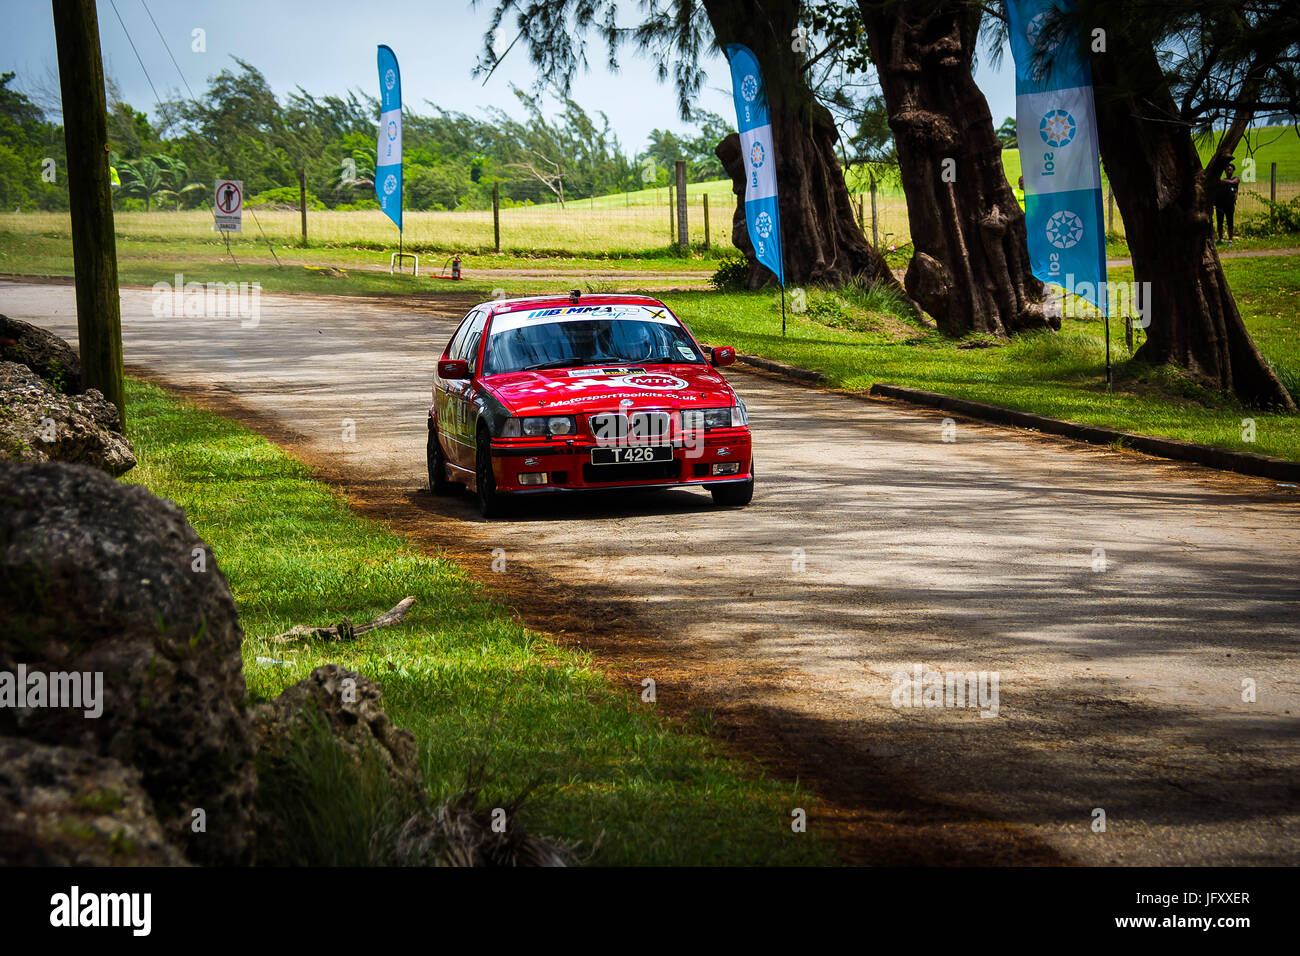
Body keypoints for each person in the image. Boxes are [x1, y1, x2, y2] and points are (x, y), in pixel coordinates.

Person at [1214, 163, 1240, 245]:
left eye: (1230, 169)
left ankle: (1230, 240)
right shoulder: (1221, 181)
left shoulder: (1235, 179)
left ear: (1233, 171)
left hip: (1230, 205)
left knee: (1230, 222)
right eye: (1227, 169)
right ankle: (1221, 239)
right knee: (1219, 222)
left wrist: (1222, 181)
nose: (1228, 171)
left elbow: (1233, 182)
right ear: (1224, 171)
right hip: (1220, 205)